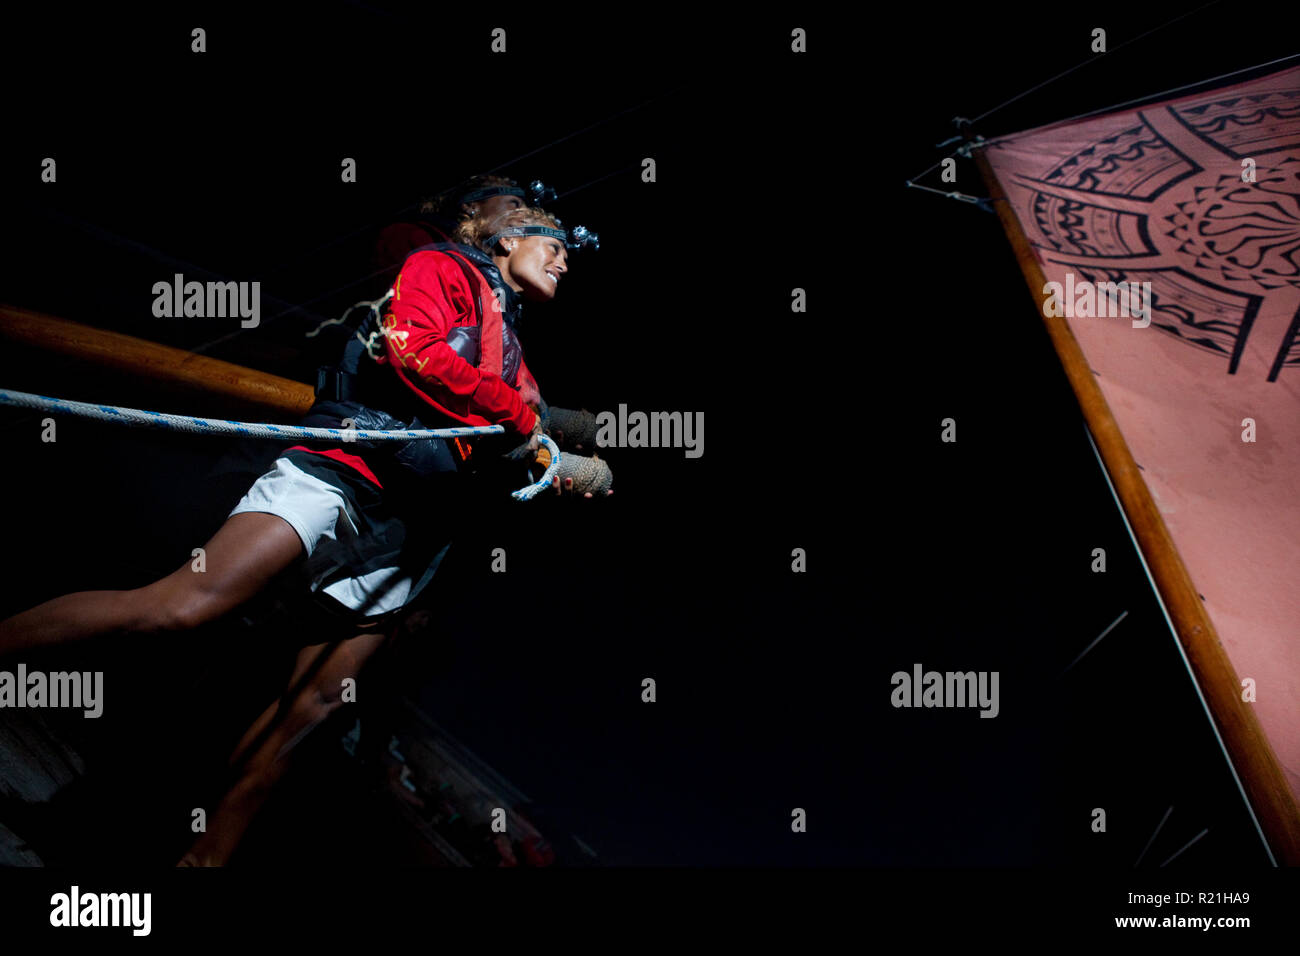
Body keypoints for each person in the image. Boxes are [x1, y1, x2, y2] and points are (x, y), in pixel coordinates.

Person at [0, 205, 607, 866]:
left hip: (411, 528)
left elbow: (531, 417)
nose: (564, 260)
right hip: (348, 470)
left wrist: (572, 455)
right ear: (508, 237)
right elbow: (419, 351)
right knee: (180, 608)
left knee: (311, 715)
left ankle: (204, 860)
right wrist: (524, 421)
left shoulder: (509, 340)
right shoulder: (441, 268)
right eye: (554, 245)